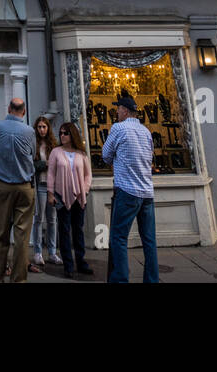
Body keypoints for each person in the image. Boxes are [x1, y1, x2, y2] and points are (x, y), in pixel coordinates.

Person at [103, 93, 159, 283]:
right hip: (147, 192)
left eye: (118, 108)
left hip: (127, 191)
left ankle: (120, 279)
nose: (116, 111)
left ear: (125, 111)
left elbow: (105, 155)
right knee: (149, 240)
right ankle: (151, 279)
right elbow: (150, 157)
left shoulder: (118, 128)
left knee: (118, 238)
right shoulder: (145, 131)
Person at [0, 97, 35, 283]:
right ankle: (19, 280)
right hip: (24, 186)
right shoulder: (29, 131)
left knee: (0, 234)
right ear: (23, 111)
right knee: (22, 237)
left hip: (3, 186)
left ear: (9, 109)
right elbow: (31, 153)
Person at [48, 121, 93, 279]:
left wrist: (85, 190)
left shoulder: (81, 153)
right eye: (60, 133)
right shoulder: (56, 152)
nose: (62, 136)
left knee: (78, 230)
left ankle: (81, 262)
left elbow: (88, 175)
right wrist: (50, 193)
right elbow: (51, 174)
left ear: (72, 134)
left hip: (79, 197)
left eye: (65, 133)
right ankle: (68, 265)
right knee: (64, 231)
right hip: (61, 196)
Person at [30, 115, 60, 271]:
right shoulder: (34, 144)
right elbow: (31, 164)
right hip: (40, 185)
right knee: (38, 219)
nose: (42, 129)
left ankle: (53, 252)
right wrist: (44, 163)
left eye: (44, 127)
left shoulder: (53, 145)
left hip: (53, 186)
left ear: (48, 128)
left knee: (52, 220)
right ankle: (37, 252)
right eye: (39, 127)